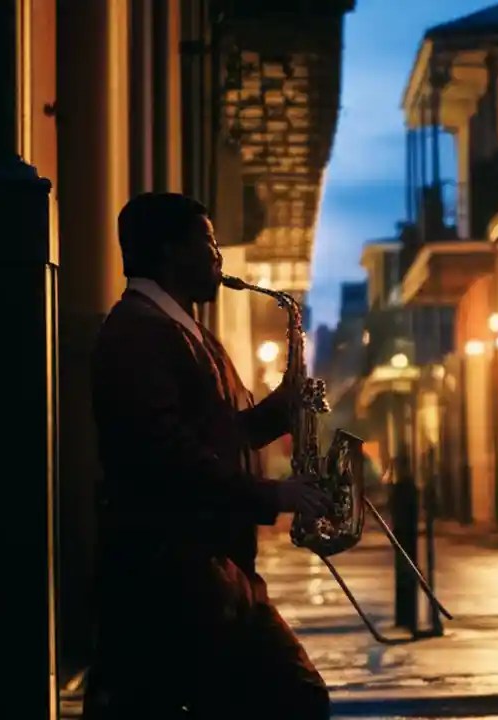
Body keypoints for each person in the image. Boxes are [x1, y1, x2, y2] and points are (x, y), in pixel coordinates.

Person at [84, 192, 334, 719]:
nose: (219, 259)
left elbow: (222, 437)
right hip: (173, 577)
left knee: (292, 698)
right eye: (210, 242)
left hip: (213, 572)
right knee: (292, 698)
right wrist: (275, 493)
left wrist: (282, 409)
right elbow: (167, 455)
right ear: (173, 252)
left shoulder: (184, 329)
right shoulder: (138, 333)